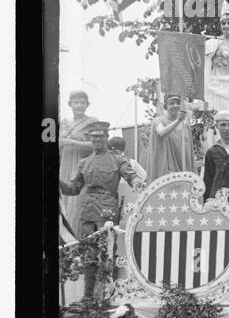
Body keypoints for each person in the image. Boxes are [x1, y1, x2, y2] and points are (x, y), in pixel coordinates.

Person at [58, 121, 144, 304]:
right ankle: (88, 296)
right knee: (89, 253)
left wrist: (136, 182)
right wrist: (59, 182)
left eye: (100, 136)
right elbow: (74, 188)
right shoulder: (84, 162)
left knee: (106, 252)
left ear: (106, 138)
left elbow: (130, 174)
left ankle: (108, 294)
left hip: (107, 210)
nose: (97, 139)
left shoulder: (117, 159)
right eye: (94, 136)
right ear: (89, 138)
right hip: (87, 210)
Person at [59, 90, 99, 229]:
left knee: (79, 199)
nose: (79, 105)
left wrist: (71, 142)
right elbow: (58, 142)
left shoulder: (92, 121)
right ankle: (65, 239)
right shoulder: (64, 122)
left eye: (82, 102)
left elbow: (95, 145)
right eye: (76, 102)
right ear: (70, 104)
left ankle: (78, 239)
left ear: (87, 105)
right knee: (65, 198)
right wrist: (67, 141)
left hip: (83, 162)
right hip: (66, 161)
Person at [204, 2, 229, 141]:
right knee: (216, 123)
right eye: (224, 23)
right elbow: (206, 68)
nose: (227, 26)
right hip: (216, 88)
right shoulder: (214, 44)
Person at [149, 93, 194, 180]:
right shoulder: (158, 121)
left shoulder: (185, 122)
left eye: (178, 103)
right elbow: (162, 132)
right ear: (166, 106)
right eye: (171, 103)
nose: (175, 105)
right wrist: (178, 120)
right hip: (167, 168)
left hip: (183, 165)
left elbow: (188, 147)